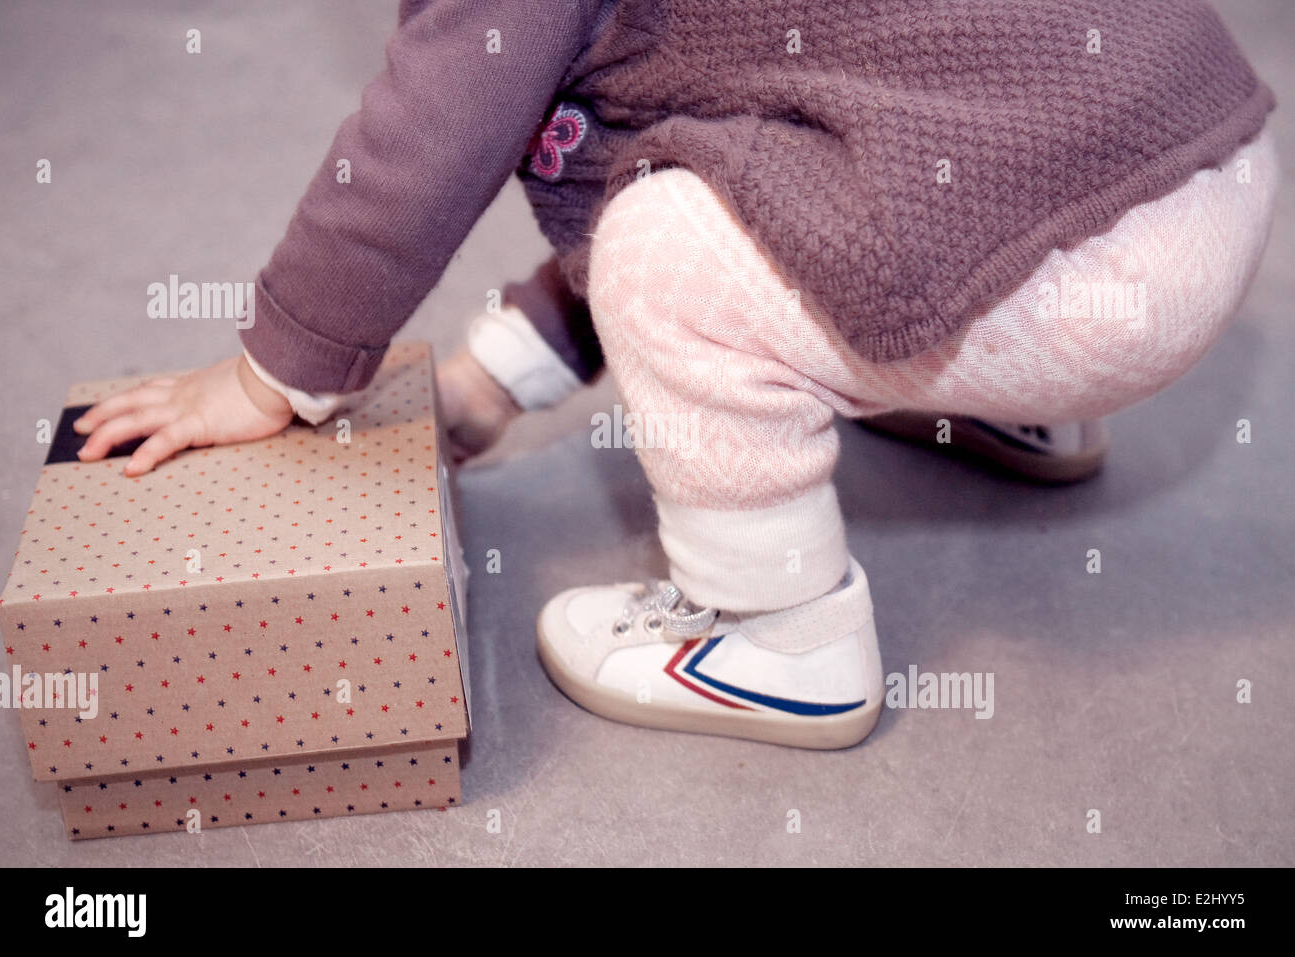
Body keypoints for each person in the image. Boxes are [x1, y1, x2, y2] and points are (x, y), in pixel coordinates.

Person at [72, 0, 1278, 749]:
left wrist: (280, 363)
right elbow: (766, 155)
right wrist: (495, 381)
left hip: (1068, 265)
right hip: (1179, 156)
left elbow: (420, 150)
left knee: (662, 240)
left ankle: (781, 638)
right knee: (794, 168)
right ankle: (1003, 401)